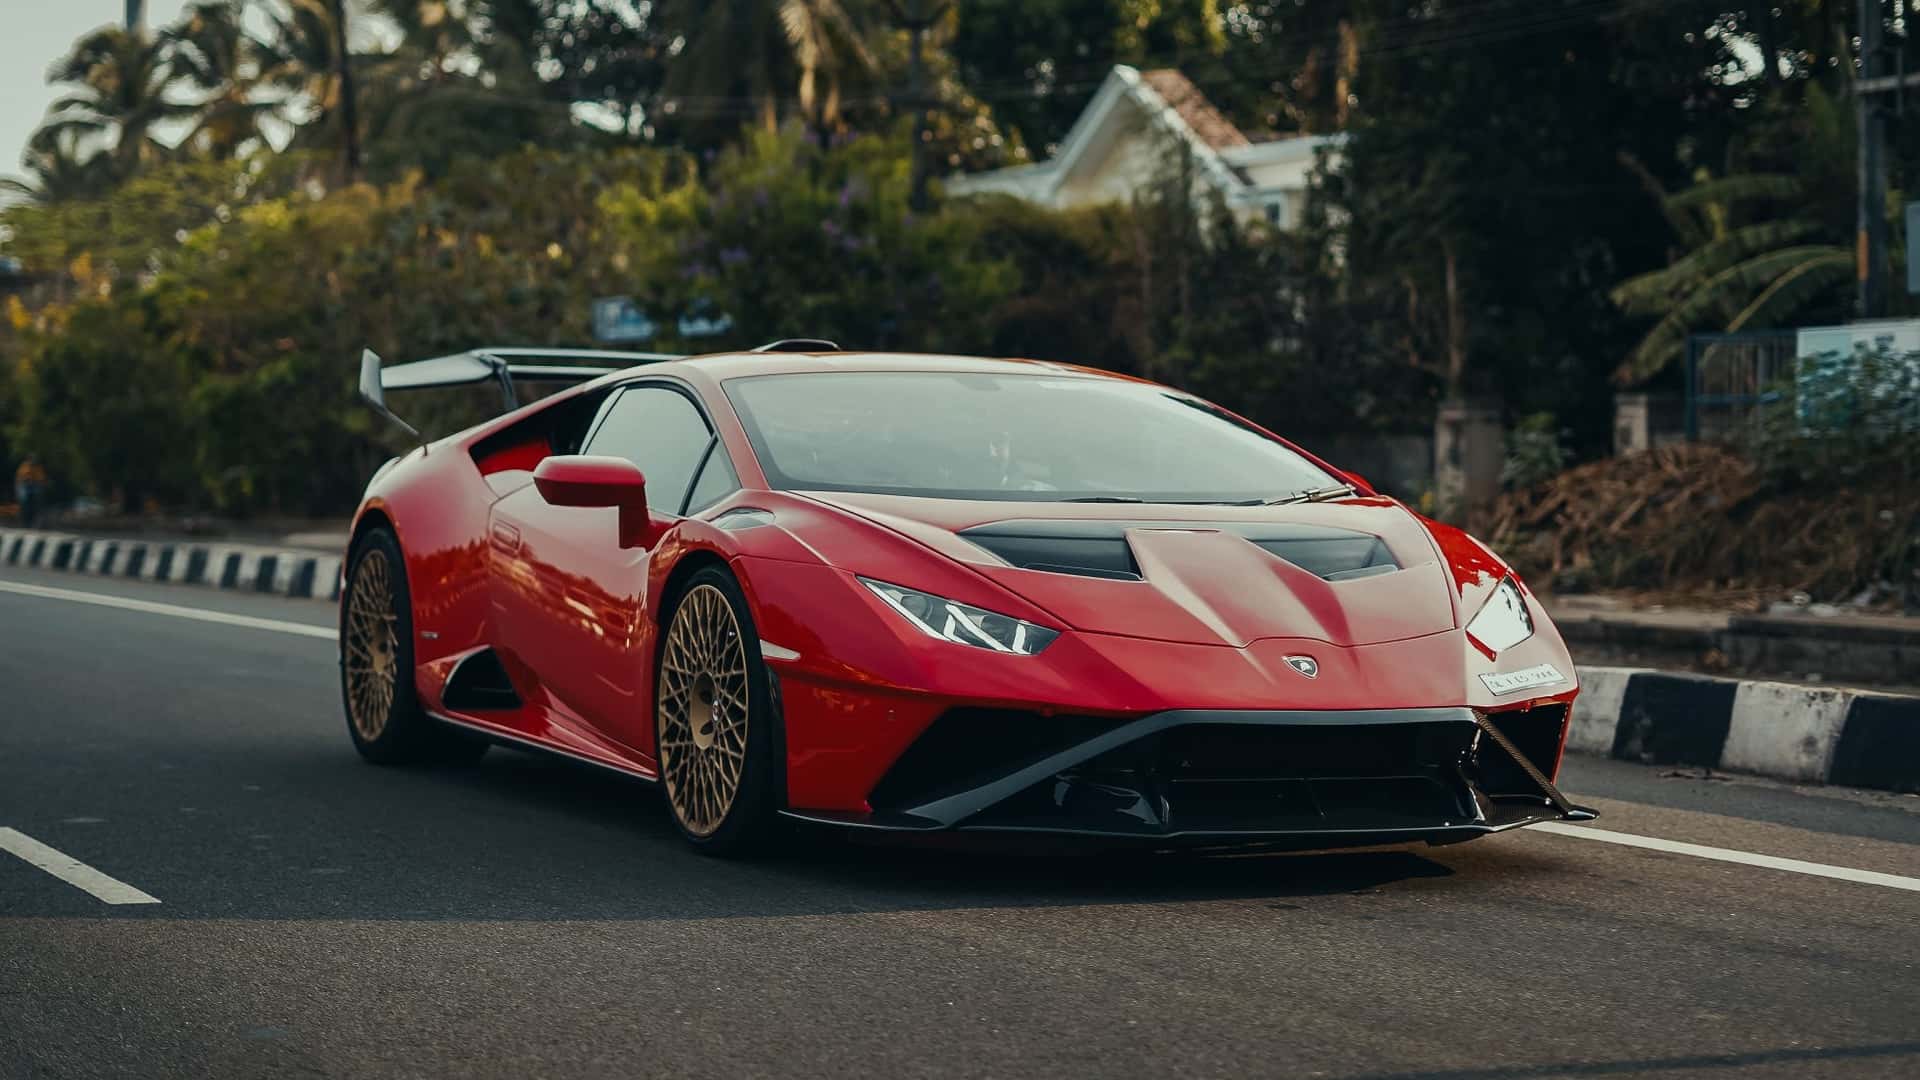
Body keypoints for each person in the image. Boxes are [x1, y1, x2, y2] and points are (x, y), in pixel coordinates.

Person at [14, 453, 47, 528]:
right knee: (24, 500)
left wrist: (39, 485)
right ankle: (23, 517)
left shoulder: (38, 468)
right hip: (24, 485)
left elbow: (41, 479)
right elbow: (20, 479)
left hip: (33, 486)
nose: (33, 461)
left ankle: (36, 519)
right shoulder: (24, 466)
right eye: (31, 459)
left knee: (37, 499)